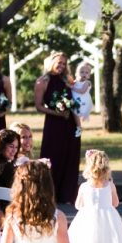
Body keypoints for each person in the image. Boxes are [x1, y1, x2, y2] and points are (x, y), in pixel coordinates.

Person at [68, 149, 122, 243]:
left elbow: (77, 205)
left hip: (87, 219)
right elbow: (116, 203)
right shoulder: (110, 185)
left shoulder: (84, 186)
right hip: (106, 220)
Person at [35, 52, 81, 204]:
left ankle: (67, 195)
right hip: (54, 124)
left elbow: (78, 95)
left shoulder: (67, 79)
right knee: (53, 157)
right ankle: (50, 195)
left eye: (64, 64)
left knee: (70, 157)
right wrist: (56, 112)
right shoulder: (43, 81)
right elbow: (39, 106)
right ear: (51, 62)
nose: (61, 66)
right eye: (58, 63)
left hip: (70, 123)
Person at [72, 60, 94, 137]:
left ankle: (79, 127)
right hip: (76, 99)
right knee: (74, 112)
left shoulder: (87, 83)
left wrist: (72, 88)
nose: (84, 74)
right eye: (81, 72)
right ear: (77, 73)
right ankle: (77, 126)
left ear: (89, 75)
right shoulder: (75, 82)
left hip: (83, 101)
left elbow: (82, 91)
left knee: (75, 112)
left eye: (86, 73)